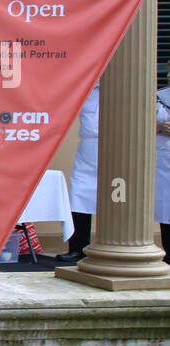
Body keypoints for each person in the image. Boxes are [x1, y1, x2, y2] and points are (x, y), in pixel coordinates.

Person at [59, 82, 100, 263]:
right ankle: (78, 248)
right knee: (79, 194)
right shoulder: (86, 85)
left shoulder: (124, 87)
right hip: (89, 146)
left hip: (118, 144)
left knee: (118, 198)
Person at [157, 85, 170, 263]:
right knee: (165, 208)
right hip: (162, 160)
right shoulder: (158, 97)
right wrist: (159, 126)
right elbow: (139, 122)